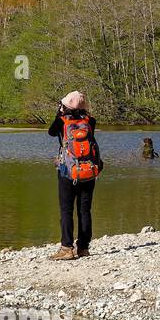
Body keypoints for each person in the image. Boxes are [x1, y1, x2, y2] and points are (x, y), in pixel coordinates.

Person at [48, 91, 103, 260]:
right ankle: (84, 248)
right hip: (88, 171)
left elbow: (51, 133)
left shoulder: (60, 121)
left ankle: (66, 248)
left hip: (68, 171)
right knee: (84, 210)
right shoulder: (90, 121)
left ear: (65, 106)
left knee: (66, 210)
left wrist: (60, 113)